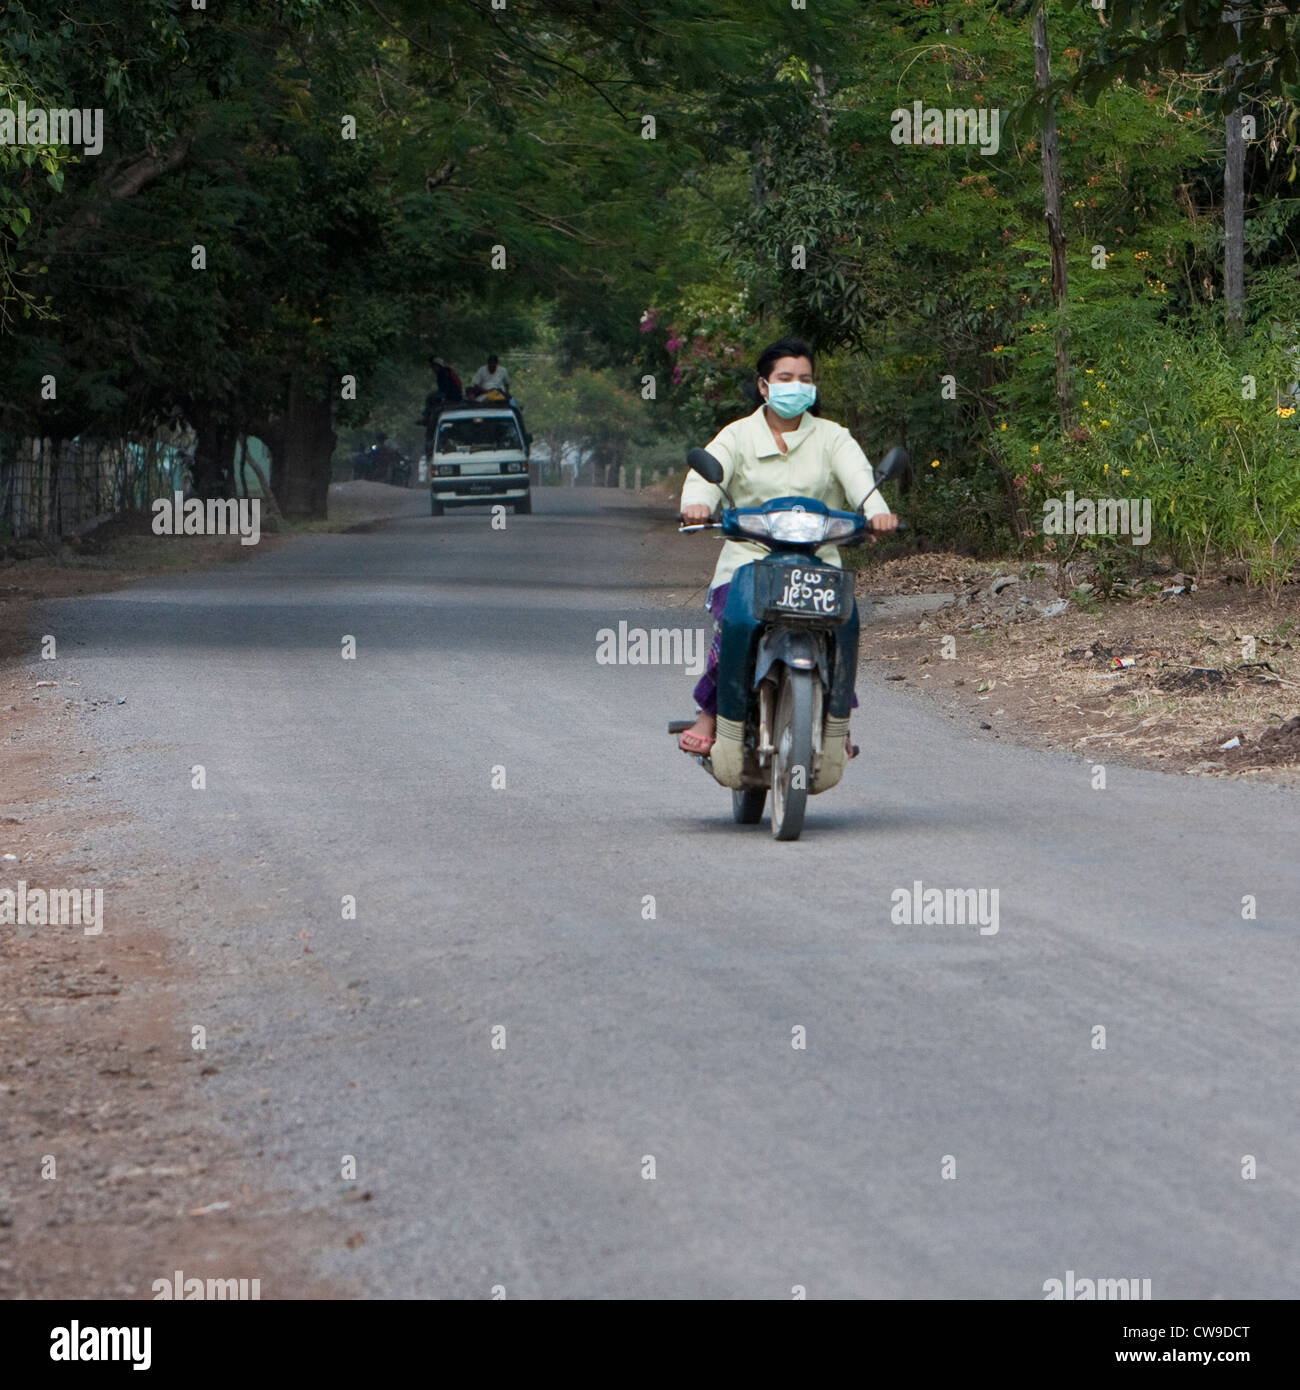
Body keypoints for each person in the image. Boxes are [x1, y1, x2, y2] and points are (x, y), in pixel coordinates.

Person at [677, 337, 898, 757]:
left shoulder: (833, 437)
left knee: (842, 626)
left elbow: (861, 481)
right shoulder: (737, 435)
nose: (796, 385)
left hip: (818, 561)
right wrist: (697, 504)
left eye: (805, 378)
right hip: (748, 560)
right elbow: (706, 474)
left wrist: (878, 513)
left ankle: (836, 721)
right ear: (764, 386)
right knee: (735, 622)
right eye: (785, 378)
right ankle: (709, 712)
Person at [418, 357, 463, 457]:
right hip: (450, 395)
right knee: (432, 399)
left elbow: (445, 389)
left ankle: (426, 418)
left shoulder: (443, 373)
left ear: (437, 366)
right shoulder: (445, 372)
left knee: (430, 398)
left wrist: (443, 398)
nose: (433, 369)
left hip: (452, 396)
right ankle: (426, 416)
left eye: (433, 366)